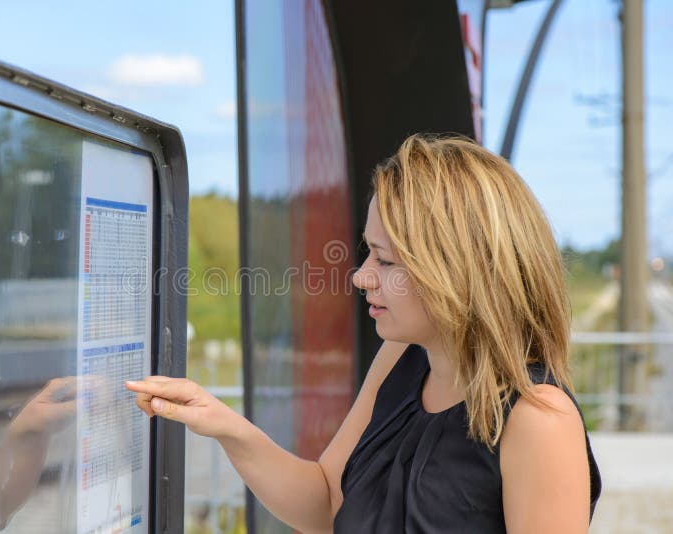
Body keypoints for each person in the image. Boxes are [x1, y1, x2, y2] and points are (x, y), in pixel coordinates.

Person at [125, 134, 601, 533]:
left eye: (386, 260)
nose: (360, 277)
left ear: (459, 271)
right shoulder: (399, 358)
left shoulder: (539, 420)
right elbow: (325, 502)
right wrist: (225, 426)